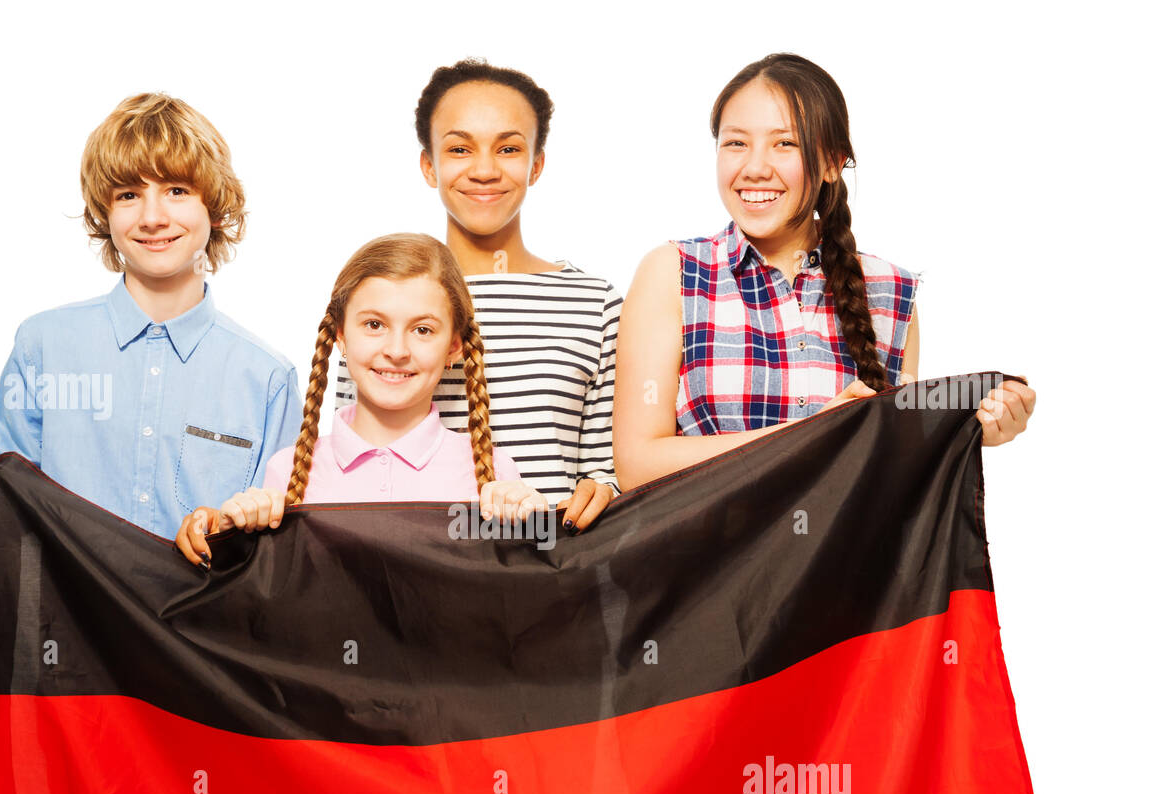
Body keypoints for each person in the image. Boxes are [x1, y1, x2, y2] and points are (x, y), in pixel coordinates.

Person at [613, 53, 1036, 489]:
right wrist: (814, 434)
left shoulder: (890, 291)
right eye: (736, 142)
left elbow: (887, 474)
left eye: (785, 143)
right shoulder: (676, 273)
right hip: (711, 557)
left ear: (833, 162)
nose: (755, 168)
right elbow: (638, 463)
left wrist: (964, 430)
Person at [0, 93, 301, 538]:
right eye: (128, 194)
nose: (152, 217)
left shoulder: (267, 380)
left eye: (177, 191)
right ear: (103, 214)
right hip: (65, 608)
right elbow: (13, 515)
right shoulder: (42, 347)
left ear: (215, 207)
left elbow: (275, 553)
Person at [333, 59, 621, 534]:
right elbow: (351, 452)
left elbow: (601, 468)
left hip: (549, 577)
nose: (484, 170)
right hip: (413, 572)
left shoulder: (595, 303)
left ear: (537, 164)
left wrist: (605, 486)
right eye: (460, 148)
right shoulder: (383, 300)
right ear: (430, 165)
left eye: (508, 148)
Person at [174, 234, 546, 566]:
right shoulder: (286, 473)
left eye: (422, 329)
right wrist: (229, 534)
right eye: (374, 325)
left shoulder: (495, 474)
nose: (396, 351)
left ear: (454, 346)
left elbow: (515, 606)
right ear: (340, 334)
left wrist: (535, 529)